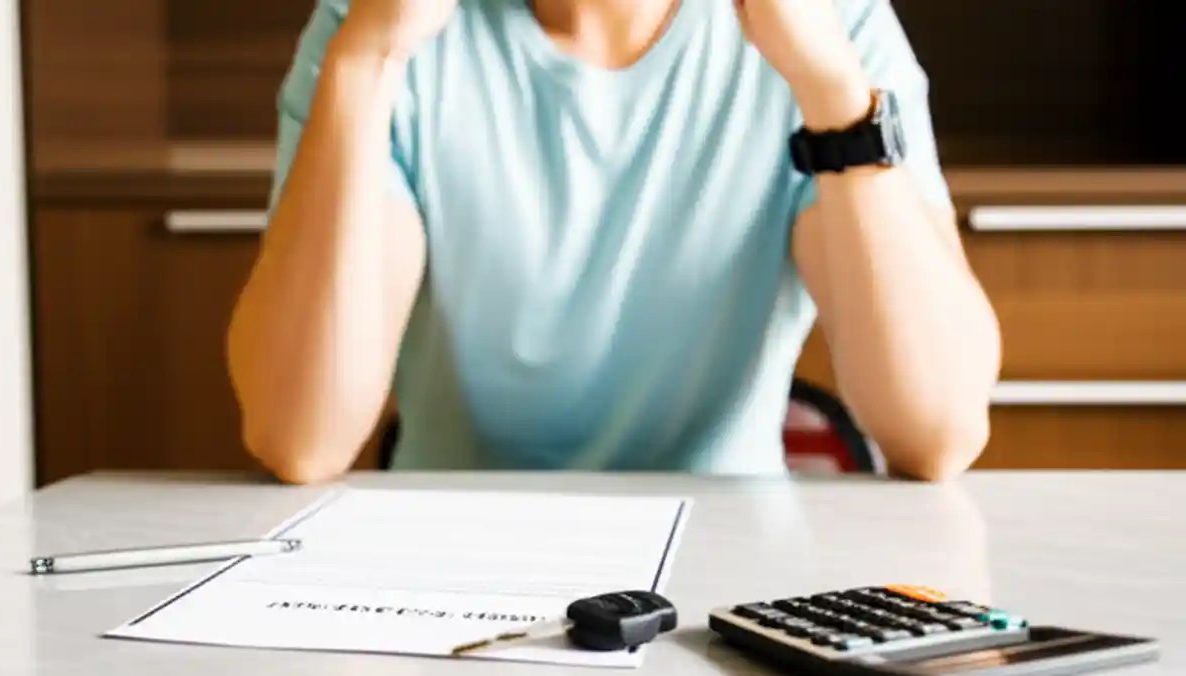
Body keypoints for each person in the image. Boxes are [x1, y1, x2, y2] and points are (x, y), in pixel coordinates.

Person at [227, 0, 1002, 483]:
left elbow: (935, 432)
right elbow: (302, 439)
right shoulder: (373, 24)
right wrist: (369, 60)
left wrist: (832, 89)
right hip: (447, 559)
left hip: (726, 555)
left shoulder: (836, 26)